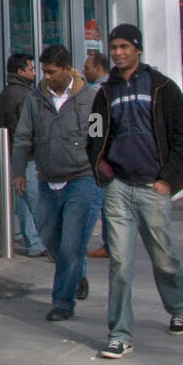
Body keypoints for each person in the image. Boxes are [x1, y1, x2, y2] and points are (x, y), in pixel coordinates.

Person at [87, 24, 183, 359]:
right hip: (119, 187)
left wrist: (167, 180)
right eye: (113, 47)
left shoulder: (163, 87)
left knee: (162, 257)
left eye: (123, 47)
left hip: (153, 187)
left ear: (137, 49)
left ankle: (179, 306)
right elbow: (93, 135)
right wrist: (103, 172)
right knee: (119, 263)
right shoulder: (105, 93)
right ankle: (120, 334)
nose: (117, 53)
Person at [12, 46, 98, 321]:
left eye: (51, 72)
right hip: (48, 178)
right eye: (44, 71)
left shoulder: (91, 98)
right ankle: (77, 274)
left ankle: (62, 301)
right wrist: (19, 171)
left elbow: (100, 138)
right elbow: (23, 136)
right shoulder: (35, 99)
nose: (46, 76)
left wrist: (103, 173)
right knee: (51, 239)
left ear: (66, 69)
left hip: (82, 178)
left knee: (71, 243)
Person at [0, 53, 46, 257]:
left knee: (25, 200)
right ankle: (46, 242)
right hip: (29, 156)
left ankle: (33, 243)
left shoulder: (8, 93)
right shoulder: (26, 95)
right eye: (31, 68)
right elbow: (27, 128)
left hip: (17, 155)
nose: (35, 72)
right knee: (36, 201)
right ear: (20, 72)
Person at [82, 51, 111, 260]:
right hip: (117, 154)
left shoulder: (96, 92)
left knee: (98, 202)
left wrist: (93, 150)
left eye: (87, 67)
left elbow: (94, 127)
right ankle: (113, 244)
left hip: (102, 156)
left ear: (98, 68)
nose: (85, 71)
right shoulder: (116, 87)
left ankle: (83, 242)